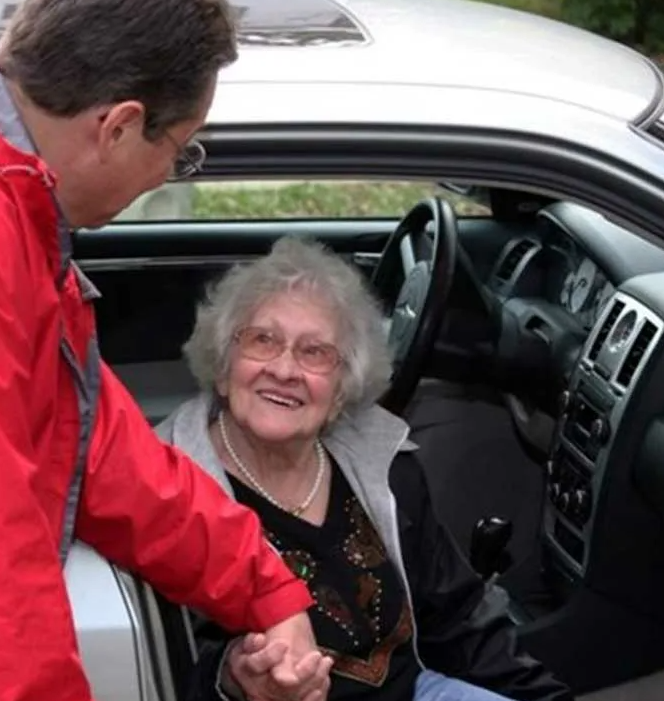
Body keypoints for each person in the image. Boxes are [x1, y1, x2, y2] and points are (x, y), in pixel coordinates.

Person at [0, 0, 332, 700]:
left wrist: (268, 591)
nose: (167, 174)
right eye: (180, 148)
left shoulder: (3, 197)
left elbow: (93, 445)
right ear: (121, 125)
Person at [157, 236, 575, 701]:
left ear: (339, 393)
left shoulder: (385, 466)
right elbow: (162, 667)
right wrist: (234, 680)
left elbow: (457, 618)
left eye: (314, 352)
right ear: (223, 365)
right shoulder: (169, 485)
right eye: (263, 340)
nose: (285, 368)